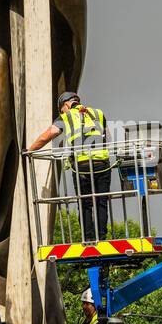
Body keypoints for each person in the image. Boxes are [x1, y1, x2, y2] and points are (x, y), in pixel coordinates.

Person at [28, 91, 112, 242]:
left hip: (82, 166)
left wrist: (29, 150)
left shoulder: (66, 117)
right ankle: (102, 238)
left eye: (62, 109)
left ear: (66, 104)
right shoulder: (98, 113)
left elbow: (45, 137)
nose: (62, 112)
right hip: (102, 165)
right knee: (101, 202)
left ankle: (89, 239)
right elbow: (108, 138)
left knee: (84, 203)